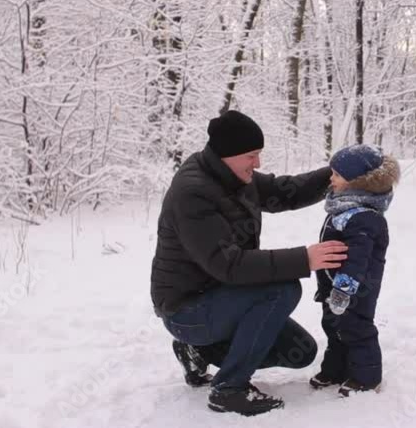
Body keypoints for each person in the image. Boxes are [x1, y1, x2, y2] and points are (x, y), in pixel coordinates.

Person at [150, 110, 349, 416]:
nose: (257, 163)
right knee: (282, 289)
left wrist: (336, 173)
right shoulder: (193, 194)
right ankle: (229, 389)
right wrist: (304, 258)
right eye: (251, 156)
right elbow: (229, 265)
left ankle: (198, 350)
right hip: (186, 309)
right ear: (226, 154)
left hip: (221, 297)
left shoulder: (232, 176)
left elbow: (285, 192)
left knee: (301, 352)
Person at [308, 144, 399, 396]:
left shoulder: (365, 217)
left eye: (337, 174)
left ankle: (366, 378)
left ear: (357, 182)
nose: (331, 178)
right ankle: (336, 369)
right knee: (333, 327)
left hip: (357, 289)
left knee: (356, 329)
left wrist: (343, 289)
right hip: (333, 286)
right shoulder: (344, 207)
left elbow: (358, 259)